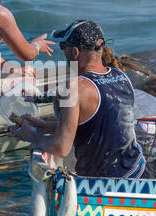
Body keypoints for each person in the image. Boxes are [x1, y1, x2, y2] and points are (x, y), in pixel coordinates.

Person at [7, 20, 144, 178]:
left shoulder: (74, 87)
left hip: (104, 183)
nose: (64, 52)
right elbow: (102, 124)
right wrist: (47, 126)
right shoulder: (121, 76)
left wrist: (31, 136)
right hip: (136, 172)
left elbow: (61, 147)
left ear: (75, 52)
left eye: (64, 47)